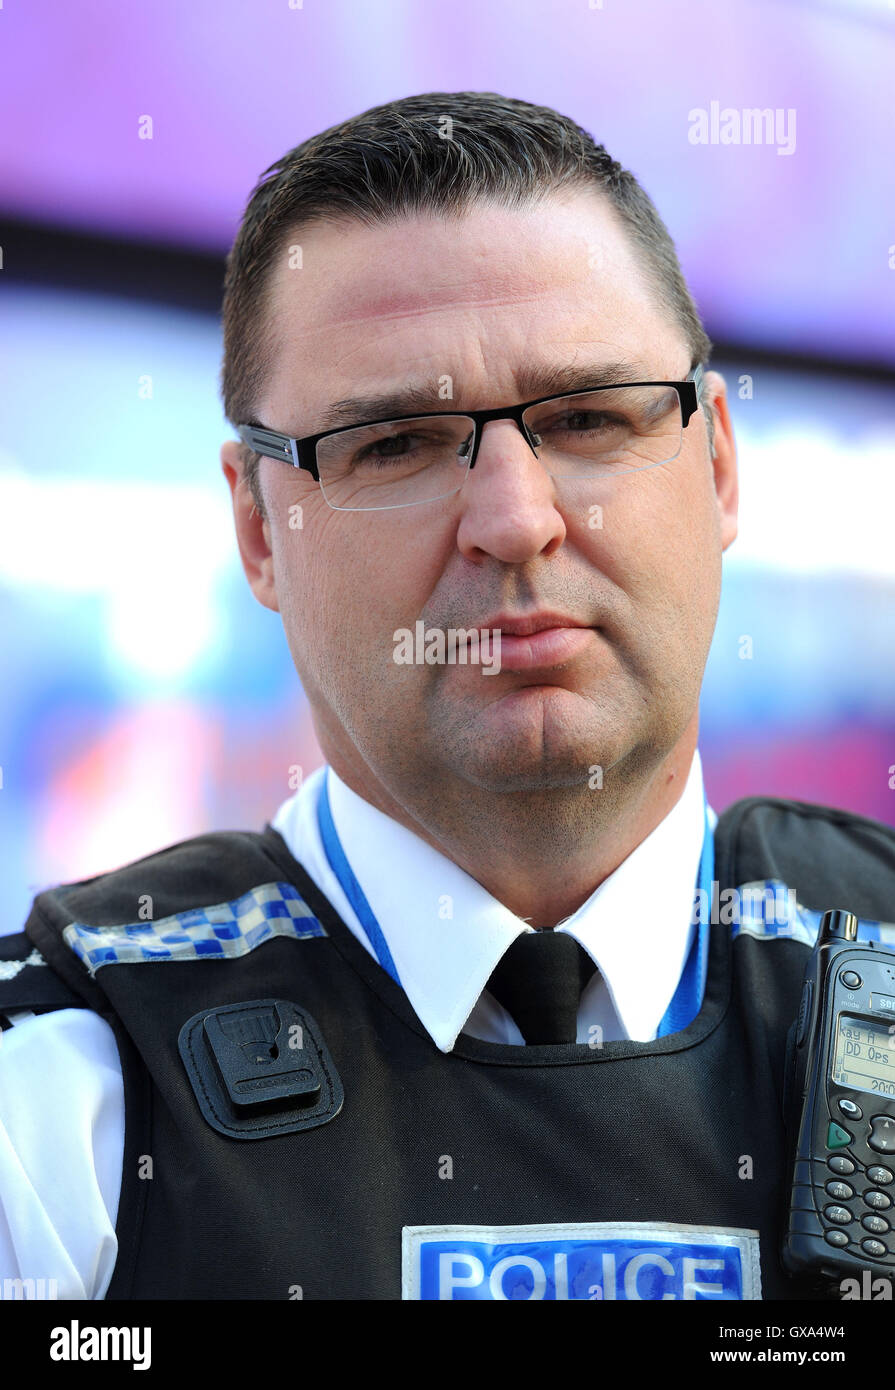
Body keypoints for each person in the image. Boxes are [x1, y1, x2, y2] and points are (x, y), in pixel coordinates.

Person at [1, 90, 893, 1303]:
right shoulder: (55, 1098)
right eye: (398, 443)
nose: (516, 519)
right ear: (259, 527)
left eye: (586, 416)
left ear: (720, 464)